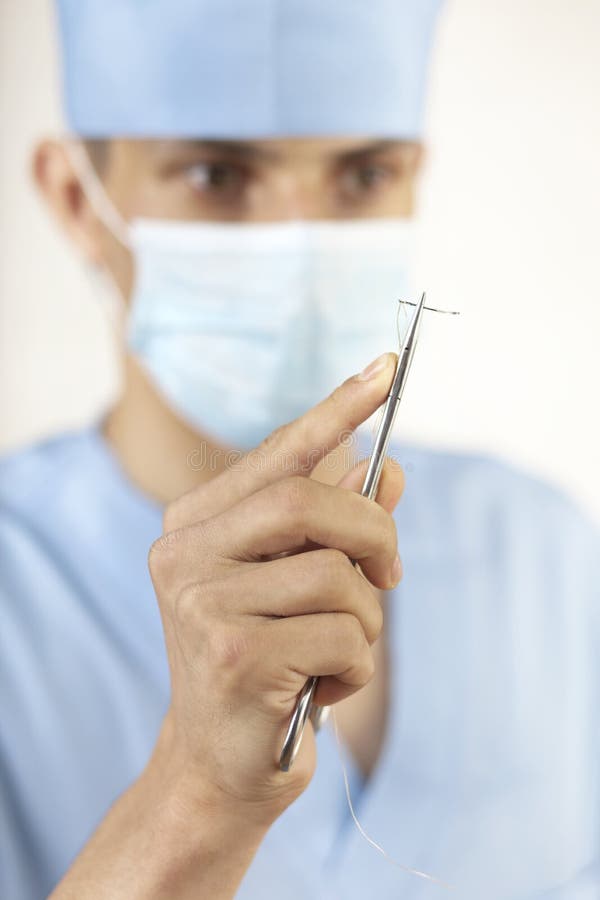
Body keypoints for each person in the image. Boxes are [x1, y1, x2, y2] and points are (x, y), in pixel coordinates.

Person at [1, 1, 598, 898]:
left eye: (362, 175)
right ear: (79, 198)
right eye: (216, 173)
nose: (301, 239)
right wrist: (194, 795)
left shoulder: (545, 554)